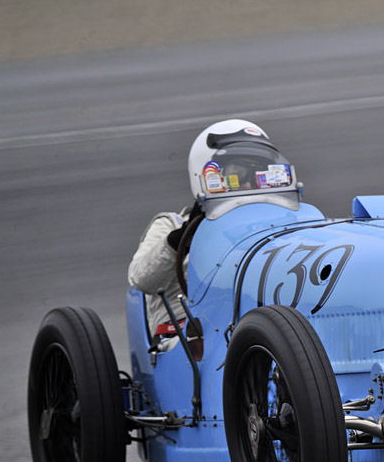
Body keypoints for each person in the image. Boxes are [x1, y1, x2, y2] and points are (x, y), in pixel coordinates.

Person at [128, 119, 299, 349]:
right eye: (237, 173)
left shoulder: (276, 226)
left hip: (258, 325)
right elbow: (141, 280)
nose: (248, 184)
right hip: (187, 333)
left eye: (255, 173)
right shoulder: (170, 224)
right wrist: (179, 241)